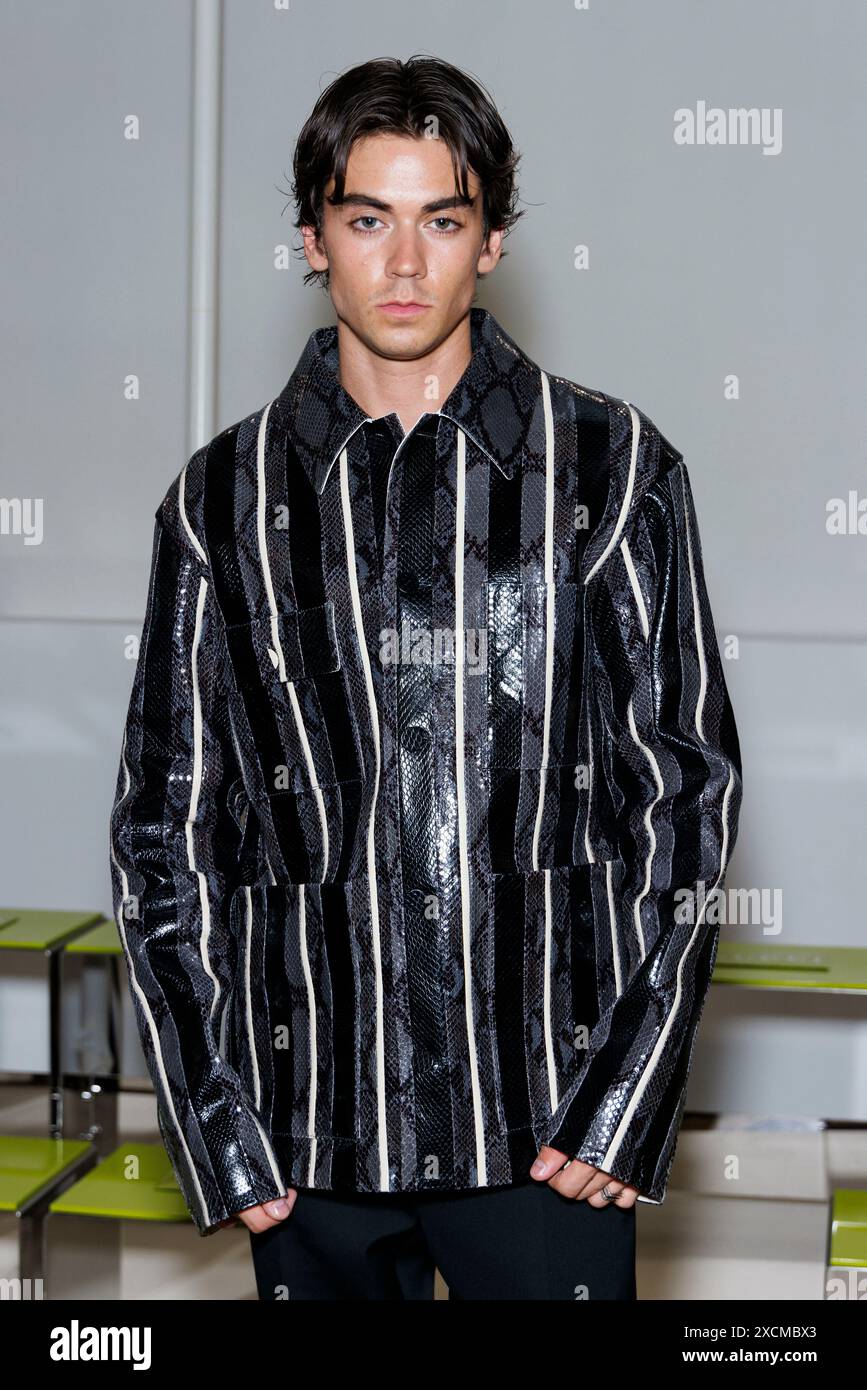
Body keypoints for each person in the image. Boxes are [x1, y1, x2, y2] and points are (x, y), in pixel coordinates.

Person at [109, 54, 743, 1301]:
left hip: (549, 1129)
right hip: (307, 1133)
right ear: (312, 238)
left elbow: (685, 799)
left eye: (442, 222)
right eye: (367, 221)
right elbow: (163, 833)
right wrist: (214, 1116)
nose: (404, 264)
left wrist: (627, 1095)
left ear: (492, 239)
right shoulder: (219, 501)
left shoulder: (614, 469)